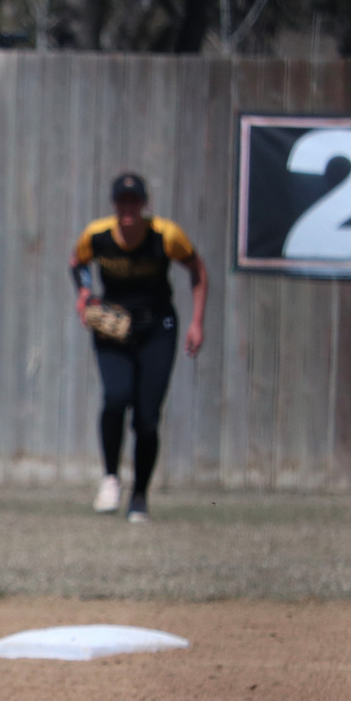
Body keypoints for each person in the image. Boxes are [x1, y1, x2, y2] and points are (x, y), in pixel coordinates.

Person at [70, 172, 208, 522]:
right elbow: (78, 263)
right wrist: (85, 293)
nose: (128, 208)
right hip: (113, 327)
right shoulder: (98, 235)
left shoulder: (166, 235)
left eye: (135, 201)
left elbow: (197, 269)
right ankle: (111, 478)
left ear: (144, 205)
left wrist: (196, 322)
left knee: (147, 418)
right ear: (115, 204)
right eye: (122, 201)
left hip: (157, 327)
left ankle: (140, 496)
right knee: (116, 397)